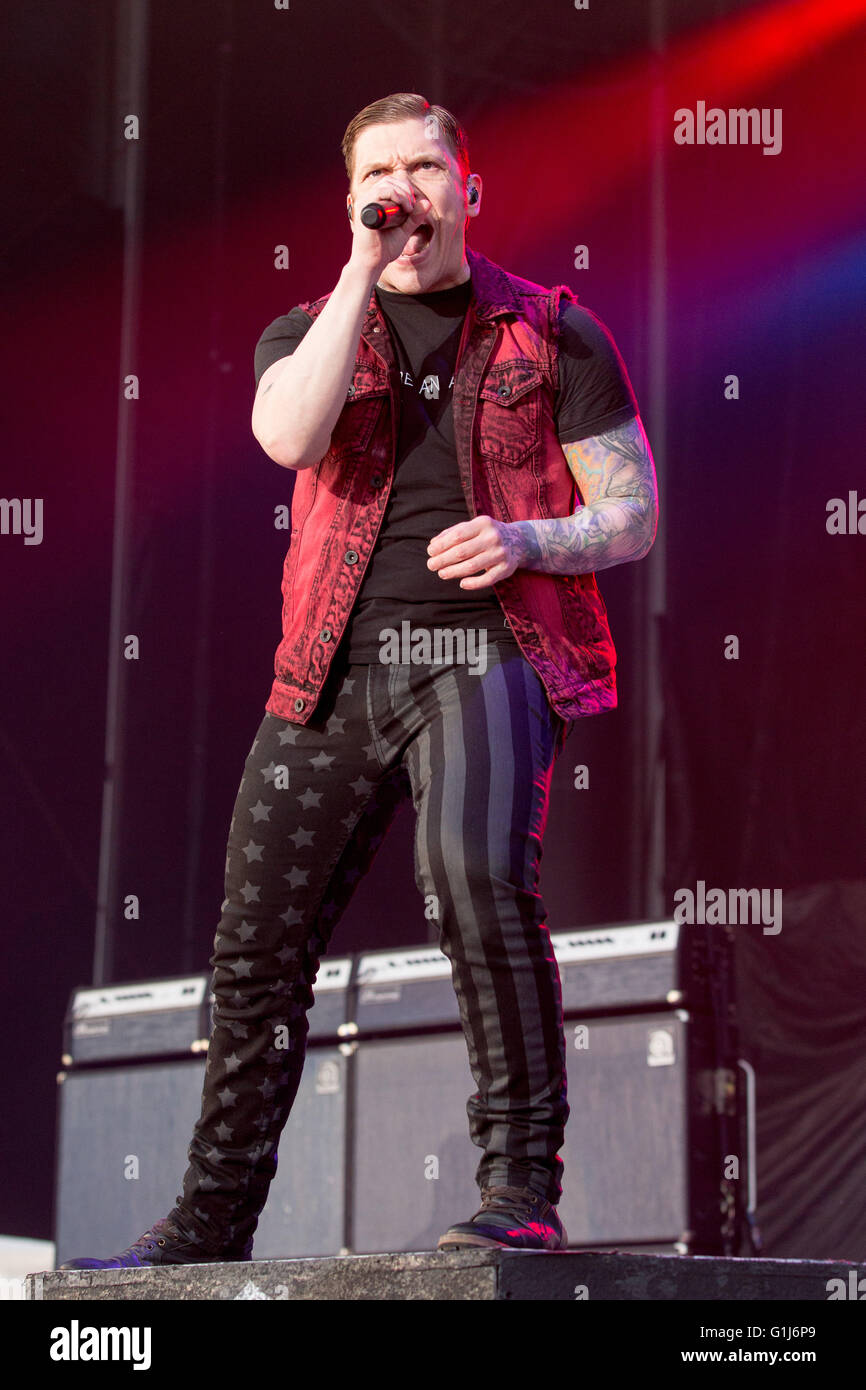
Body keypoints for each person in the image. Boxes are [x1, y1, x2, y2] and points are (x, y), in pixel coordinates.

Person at [61, 92, 657, 1269]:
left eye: (425, 170)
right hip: (328, 671)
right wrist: (356, 275)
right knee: (255, 946)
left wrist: (529, 542)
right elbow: (287, 437)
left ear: (466, 191)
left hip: (484, 647)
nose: (405, 190)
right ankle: (211, 1218)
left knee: (475, 879)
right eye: (378, 174)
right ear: (350, 202)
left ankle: (517, 1193)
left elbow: (632, 514)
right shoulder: (305, 327)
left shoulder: (555, 332)